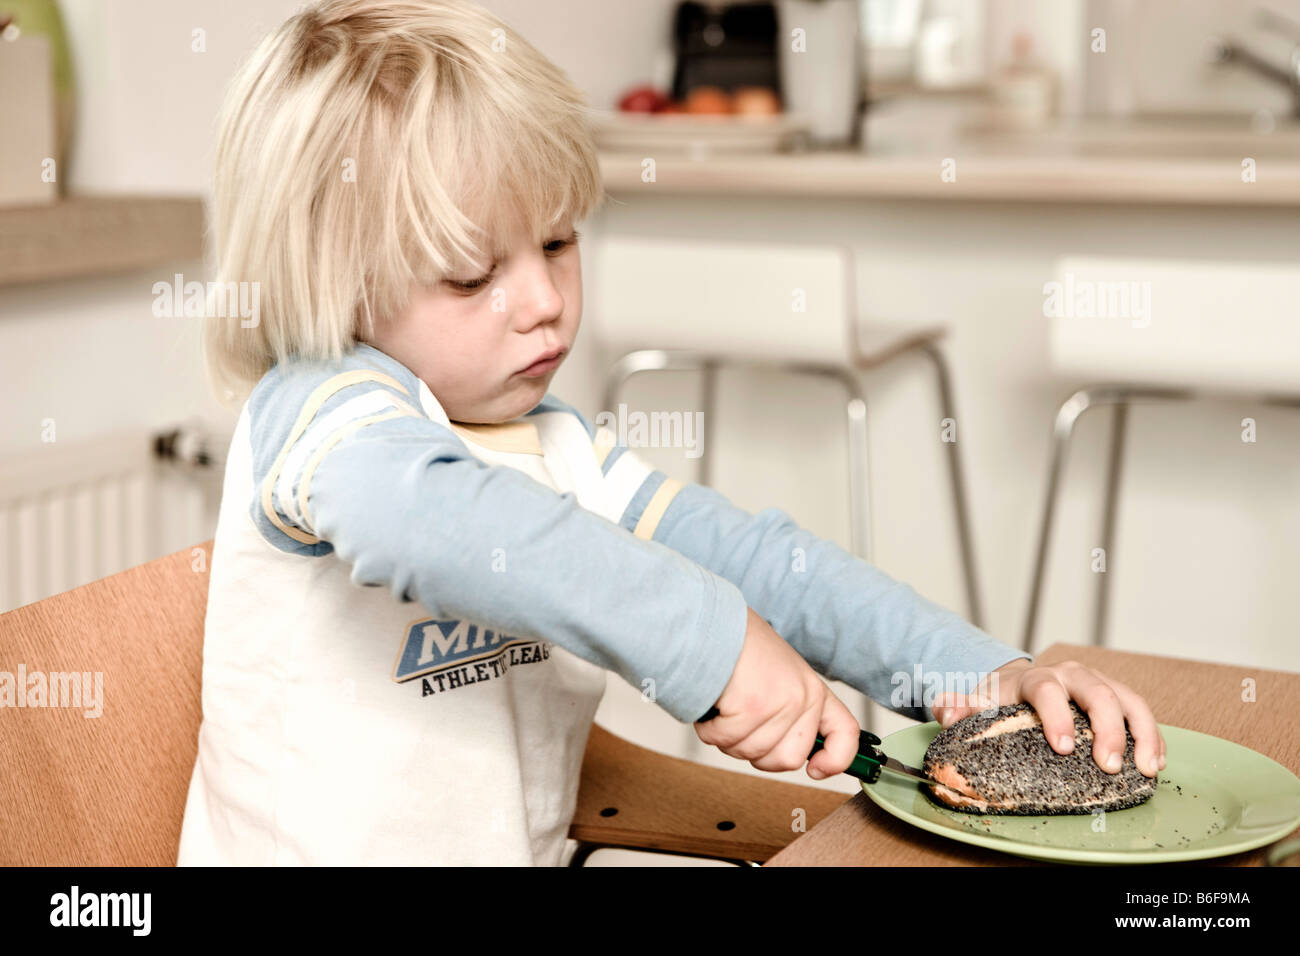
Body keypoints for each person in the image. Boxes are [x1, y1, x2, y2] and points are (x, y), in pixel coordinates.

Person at [179, 0, 1164, 865]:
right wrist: (712, 642)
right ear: (329, 284)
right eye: (471, 274)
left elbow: (759, 561)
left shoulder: (555, 448)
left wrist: (981, 677)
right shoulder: (321, 414)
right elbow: (413, 514)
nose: (543, 302)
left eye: (560, 241)